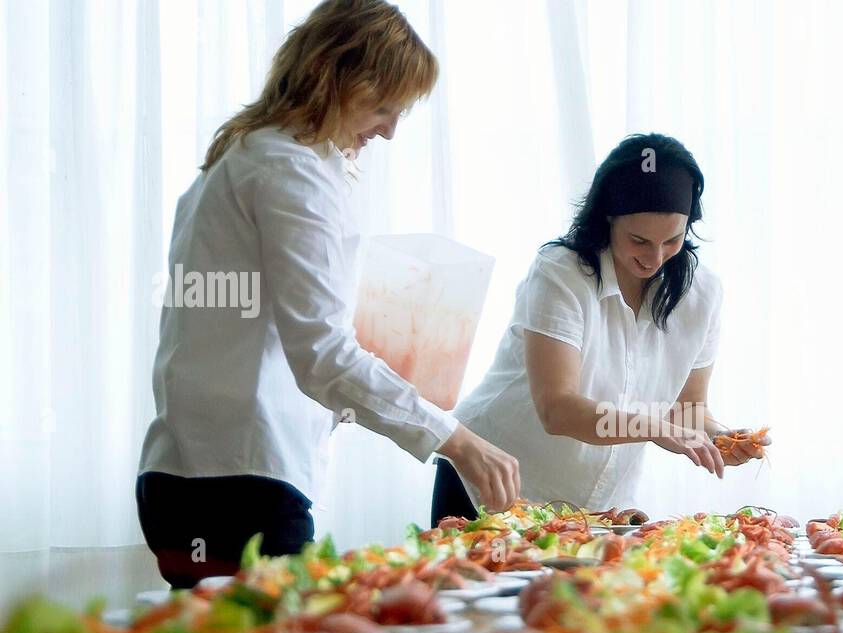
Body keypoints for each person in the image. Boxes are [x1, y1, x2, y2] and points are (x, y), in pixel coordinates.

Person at [138, 0, 518, 588]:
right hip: (240, 486)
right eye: (385, 106)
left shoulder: (245, 154)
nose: (391, 129)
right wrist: (455, 439)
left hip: (188, 476)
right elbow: (321, 354)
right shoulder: (291, 172)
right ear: (339, 77)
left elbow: (266, 328)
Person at [433, 133, 766, 524]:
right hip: (490, 482)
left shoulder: (702, 292)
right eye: (638, 240)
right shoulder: (561, 273)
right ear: (607, 217)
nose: (655, 257)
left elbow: (686, 409)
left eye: (672, 239)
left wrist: (719, 436)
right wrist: (654, 428)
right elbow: (557, 409)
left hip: (596, 509)